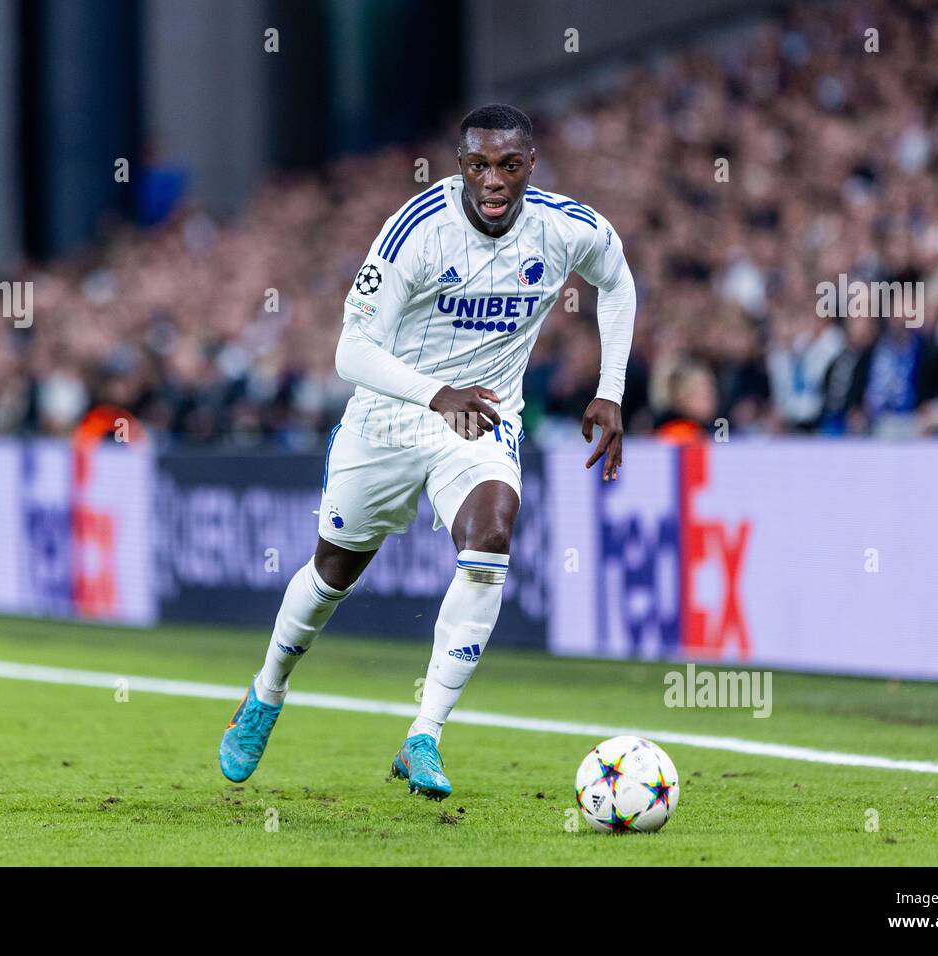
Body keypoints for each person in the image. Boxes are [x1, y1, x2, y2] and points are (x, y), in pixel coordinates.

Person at [218, 104, 636, 799]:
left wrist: (611, 389)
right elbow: (350, 351)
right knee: (331, 576)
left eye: (508, 164)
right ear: (461, 165)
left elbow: (617, 281)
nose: (493, 180)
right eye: (478, 165)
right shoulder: (417, 230)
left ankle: (424, 736)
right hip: (391, 415)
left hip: (483, 418)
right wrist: (436, 392)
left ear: (530, 164)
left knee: (492, 540)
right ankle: (266, 691)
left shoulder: (569, 228)